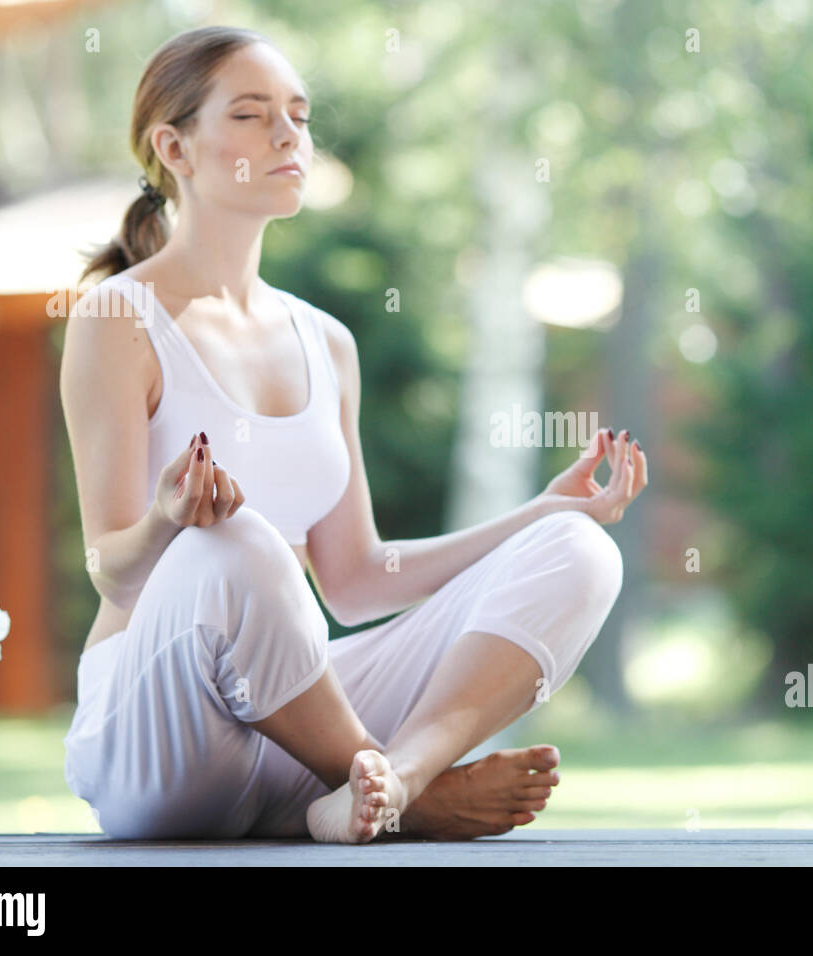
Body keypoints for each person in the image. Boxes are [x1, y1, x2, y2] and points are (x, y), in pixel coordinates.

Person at [59, 25, 647, 844]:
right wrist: (168, 520)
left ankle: (392, 779)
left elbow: (359, 580)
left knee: (581, 551)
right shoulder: (118, 318)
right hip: (155, 736)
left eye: (298, 115)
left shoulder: (326, 342)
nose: (287, 134)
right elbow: (114, 576)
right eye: (251, 114)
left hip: (292, 737)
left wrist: (542, 513)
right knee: (237, 543)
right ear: (175, 146)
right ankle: (409, 792)